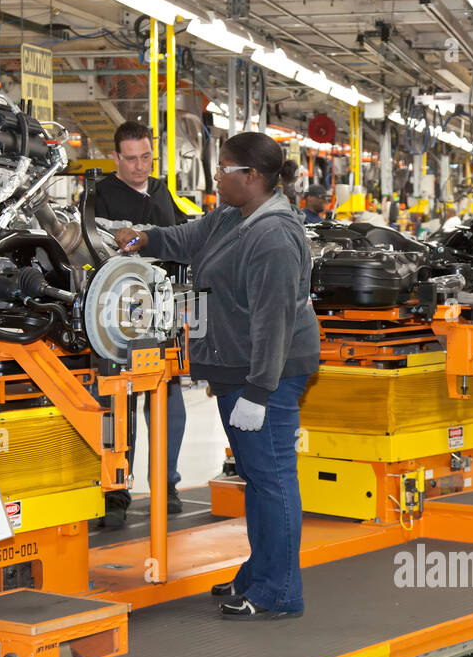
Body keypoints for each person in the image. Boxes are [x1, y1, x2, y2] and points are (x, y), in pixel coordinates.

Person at [113, 132, 320, 620]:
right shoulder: (233, 216)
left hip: (266, 373)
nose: (216, 178)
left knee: (272, 480)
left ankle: (280, 592)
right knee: (256, 477)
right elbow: (186, 239)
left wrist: (258, 391)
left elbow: (275, 323)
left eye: (223, 169)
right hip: (236, 367)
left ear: (251, 177)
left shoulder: (273, 236)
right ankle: (260, 573)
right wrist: (142, 238)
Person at [94, 121, 188, 527]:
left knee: (169, 403)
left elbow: (185, 236)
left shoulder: (163, 191)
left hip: (163, 313)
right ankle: (115, 491)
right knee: (118, 404)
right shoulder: (99, 197)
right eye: (130, 158)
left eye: (146, 157)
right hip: (116, 317)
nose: (139, 166)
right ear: (116, 157)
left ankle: (165, 484)